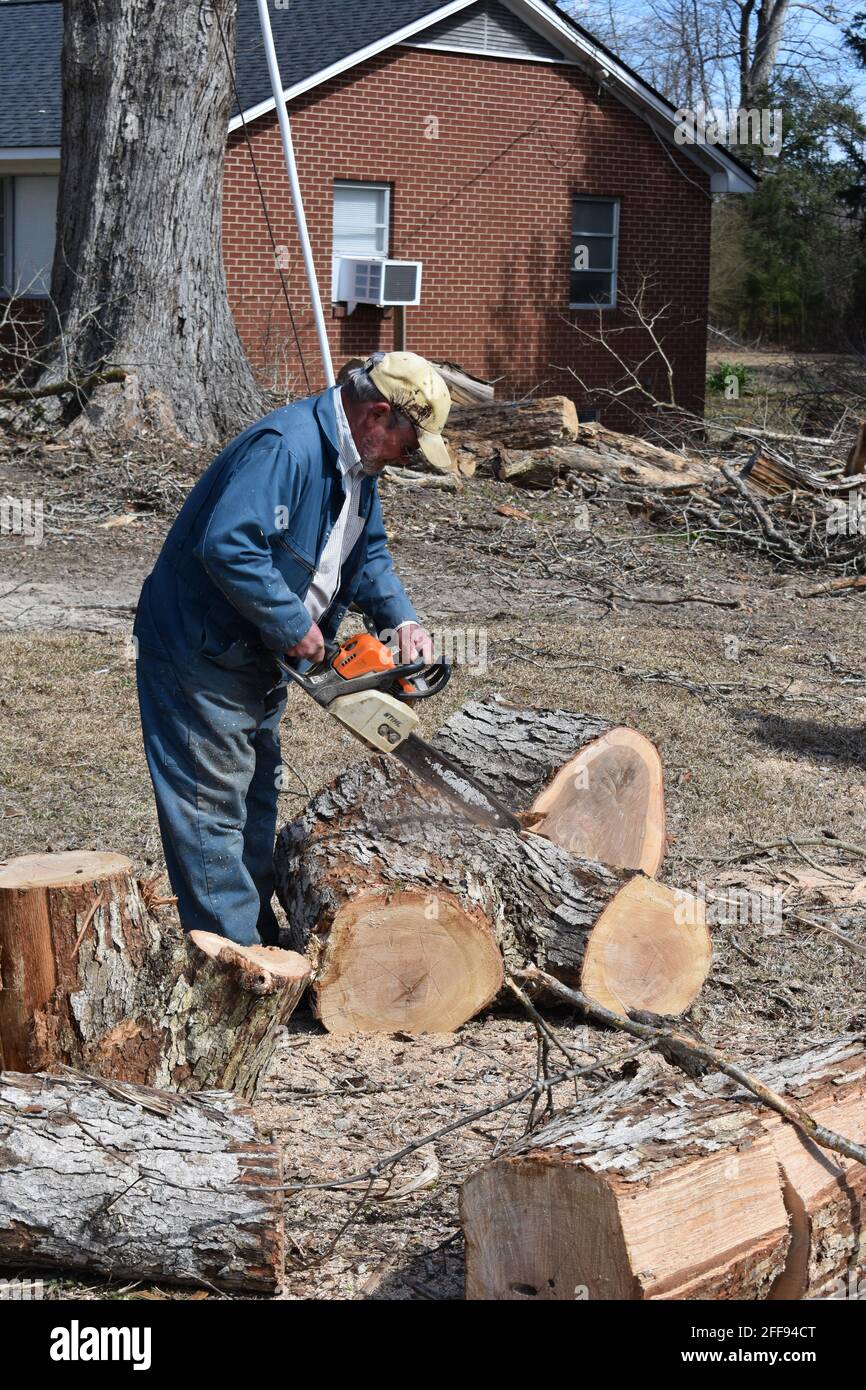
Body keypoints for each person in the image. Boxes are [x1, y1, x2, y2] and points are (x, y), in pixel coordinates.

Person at [133, 350, 451, 946]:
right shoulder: (288, 447)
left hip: (255, 652)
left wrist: (400, 620)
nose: (408, 462)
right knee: (211, 812)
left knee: (255, 799)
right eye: (409, 447)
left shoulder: (356, 466)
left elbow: (368, 549)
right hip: (202, 650)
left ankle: (253, 944)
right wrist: (292, 623)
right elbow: (228, 544)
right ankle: (233, 970)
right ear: (378, 414)